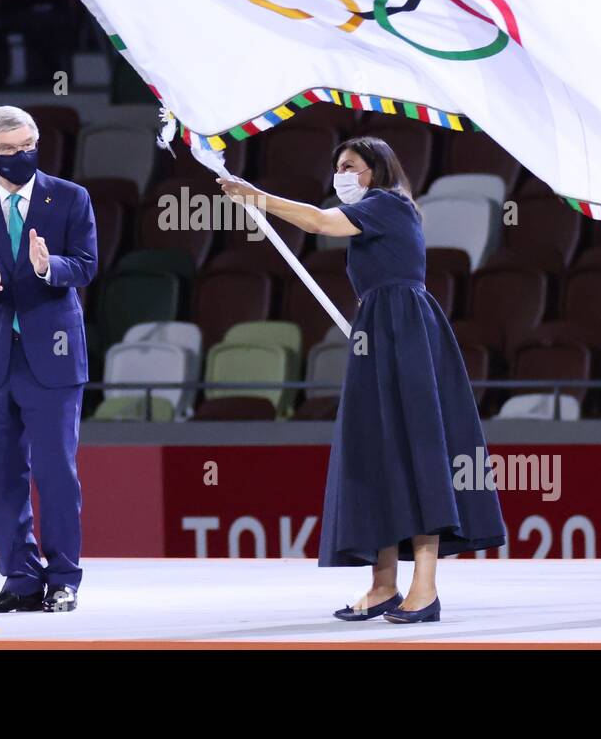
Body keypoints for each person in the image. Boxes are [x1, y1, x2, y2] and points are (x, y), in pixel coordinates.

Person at [217, 136, 506, 623]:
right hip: (378, 331)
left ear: (375, 170)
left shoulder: (388, 204)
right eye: (337, 167)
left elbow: (319, 221)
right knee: (379, 453)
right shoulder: (378, 210)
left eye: (349, 166)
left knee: (418, 454)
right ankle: (383, 584)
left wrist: (256, 196)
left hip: (405, 332)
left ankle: (426, 588)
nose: (341, 175)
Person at [0, 106, 98, 614]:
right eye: (11, 150)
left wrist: (49, 266)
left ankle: (63, 577)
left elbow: (85, 264)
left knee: (57, 470)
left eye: (29, 146)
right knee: (2, 473)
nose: (22, 156)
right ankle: (19, 577)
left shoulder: (71, 198)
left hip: (53, 355)